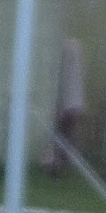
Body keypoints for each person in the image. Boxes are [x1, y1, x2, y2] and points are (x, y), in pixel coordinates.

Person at [42, 37, 85, 176]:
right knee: (64, 134)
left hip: (68, 105)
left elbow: (68, 87)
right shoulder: (70, 64)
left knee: (63, 134)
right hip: (70, 104)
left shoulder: (69, 60)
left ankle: (56, 162)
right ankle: (56, 162)